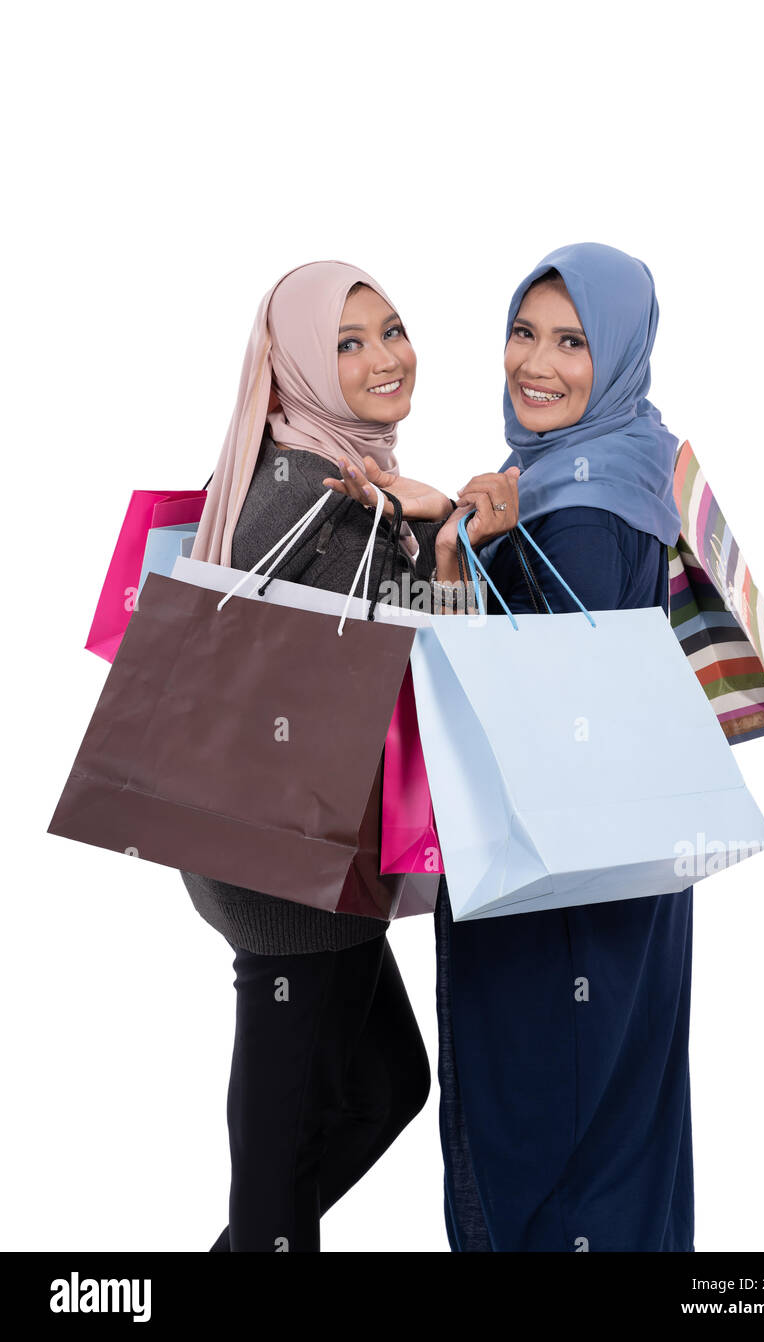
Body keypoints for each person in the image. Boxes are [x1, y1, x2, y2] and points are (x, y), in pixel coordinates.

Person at [359, 242, 692, 1252]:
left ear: (620, 354)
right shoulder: (624, 453)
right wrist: (471, 529)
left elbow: (539, 727)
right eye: (522, 331)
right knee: (618, 1146)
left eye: (571, 342)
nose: (534, 364)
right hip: (621, 892)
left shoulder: (579, 509)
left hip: (556, 905)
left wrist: (454, 559)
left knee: (543, 1164)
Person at [183, 259, 518, 1252]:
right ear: (290, 373)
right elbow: (375, 677)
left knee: (386, 1085)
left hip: (312, 851)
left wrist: (430, 536)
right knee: (279, 1160)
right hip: (286, 870)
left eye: (391, 328)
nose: (384, 357)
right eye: (346, 341)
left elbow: (417, 658)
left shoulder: (334, 469)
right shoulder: (304, 483)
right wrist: (402, 523)